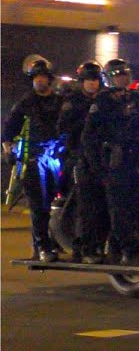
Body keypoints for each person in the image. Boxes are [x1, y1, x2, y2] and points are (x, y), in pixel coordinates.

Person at [83, 58, 139, 264]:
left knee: (135, 207)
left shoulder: (135, 100)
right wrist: (98, 167)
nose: (122, 79)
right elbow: (89, 137)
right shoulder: (102, 102)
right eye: (118, 75)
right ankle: (129, 249)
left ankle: (118, 248)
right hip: (114, 163)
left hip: (135, 161)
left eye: (124, 74)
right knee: (118, 209)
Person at [2, 56, 63, 261]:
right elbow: (8, 131)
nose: (39, 80)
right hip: (33, 161)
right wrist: (9, 151)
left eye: (43, 77)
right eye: (36, 77)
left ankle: (52, 240)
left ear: (49, 79)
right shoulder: (25, 104)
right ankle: (42, 246)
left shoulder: (59, 101)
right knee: (40, 205)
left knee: (59, 201)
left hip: (55, 158)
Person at [58, 61, 108, 263]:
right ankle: (83, 247)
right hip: (79, 158)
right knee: (86, 205)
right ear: (82, 82)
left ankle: (97, 245)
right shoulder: (73, 103)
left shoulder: (105, 101)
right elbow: (64, 130)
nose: (93, 84)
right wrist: (89, 118)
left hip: (100, 158)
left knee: (104, 205)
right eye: (89, 80)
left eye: (95, 80)